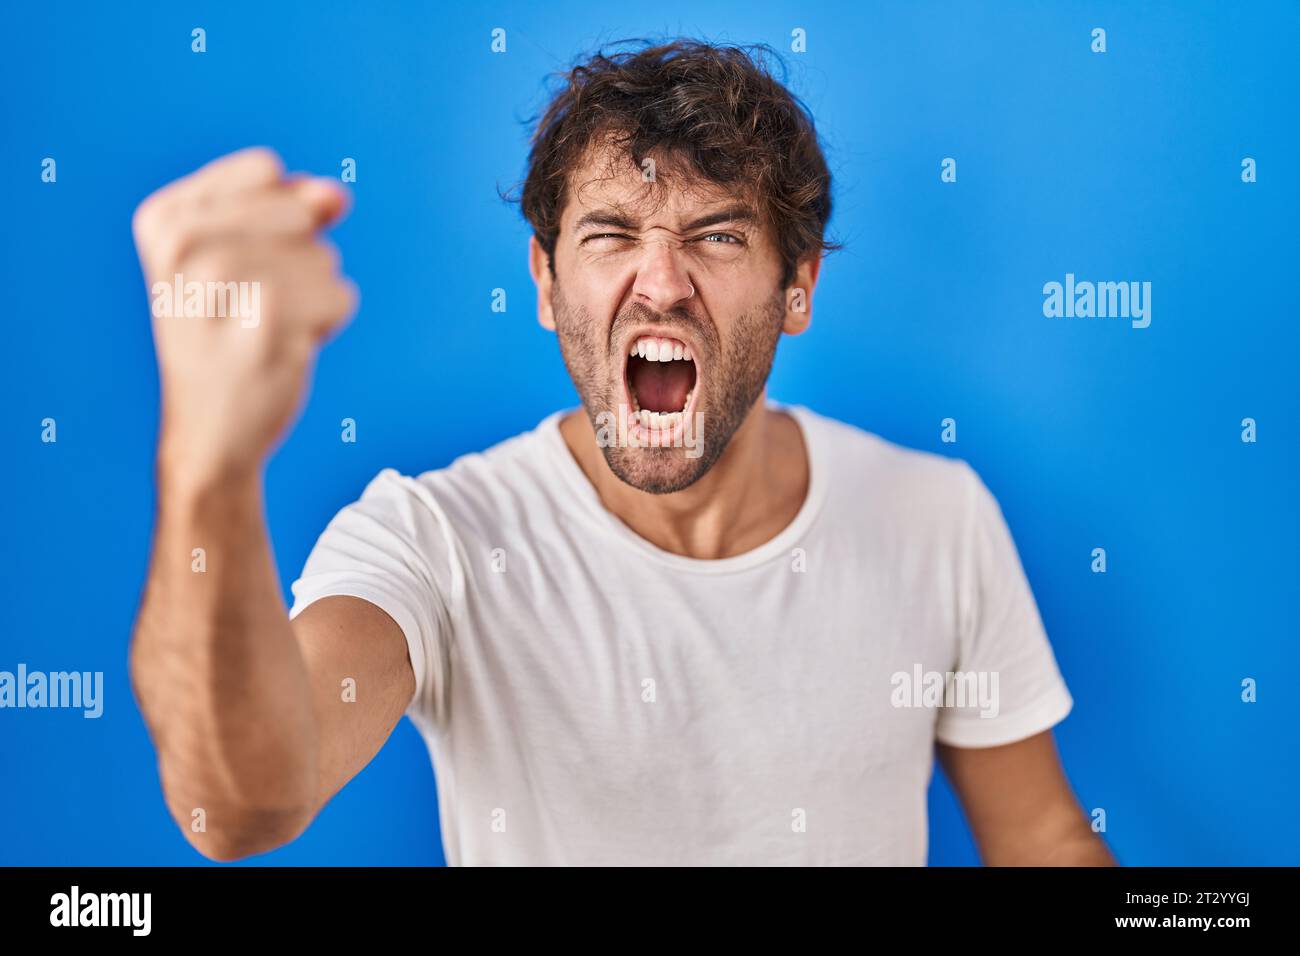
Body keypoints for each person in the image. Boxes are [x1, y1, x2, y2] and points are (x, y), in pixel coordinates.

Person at [128, 39, 1114, 866]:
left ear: (798, 283)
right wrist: (207, 465)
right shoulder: (434, 540)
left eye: (718, 236)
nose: (659, 282)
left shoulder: (933, 513)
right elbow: (242, 803)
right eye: (608, 234)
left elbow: (1038, 832)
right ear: (548, 282)